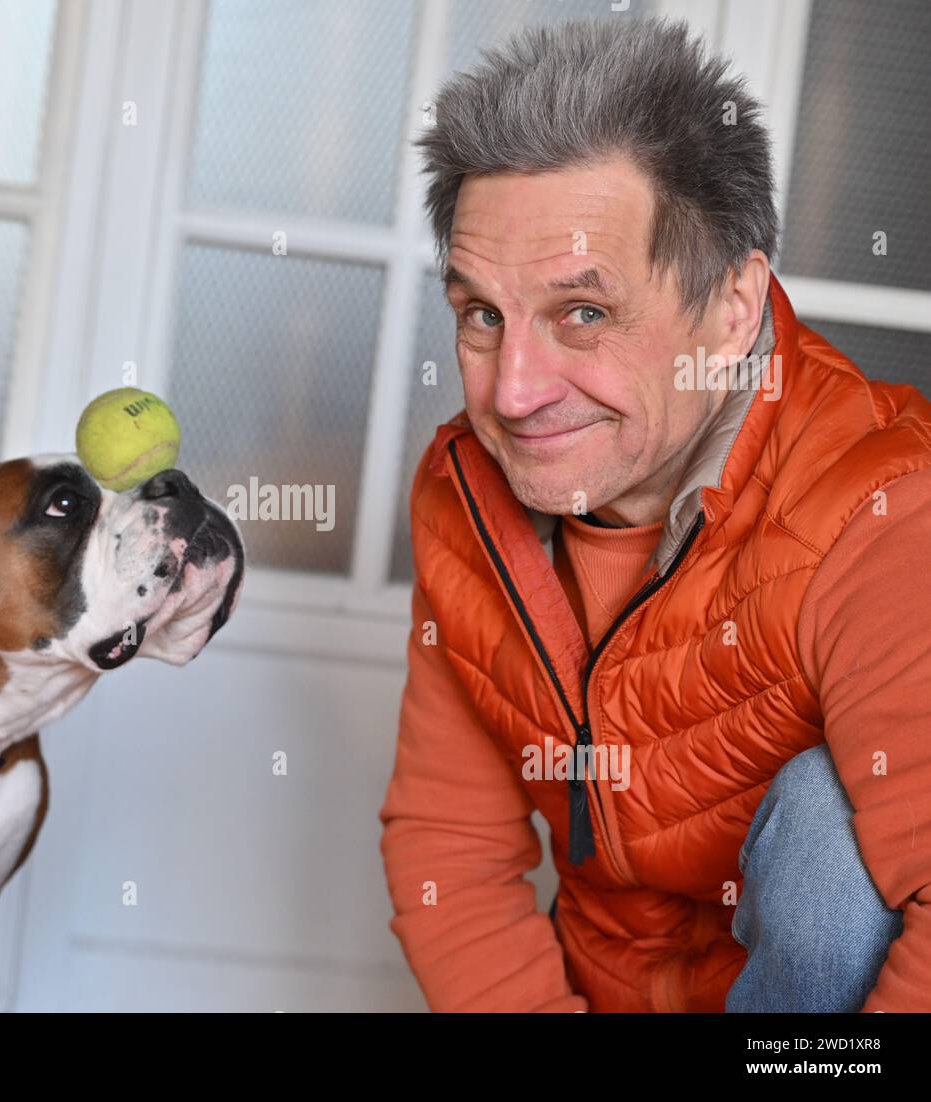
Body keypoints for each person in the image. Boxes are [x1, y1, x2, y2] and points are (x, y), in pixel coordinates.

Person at [378, 17, 931, 1012]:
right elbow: (449, 849)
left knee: (831, 828)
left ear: (728, 310)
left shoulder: (881, 507)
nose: (512, 392)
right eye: (480, 314)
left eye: (582, 313)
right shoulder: (466, 488)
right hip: (606, 990)